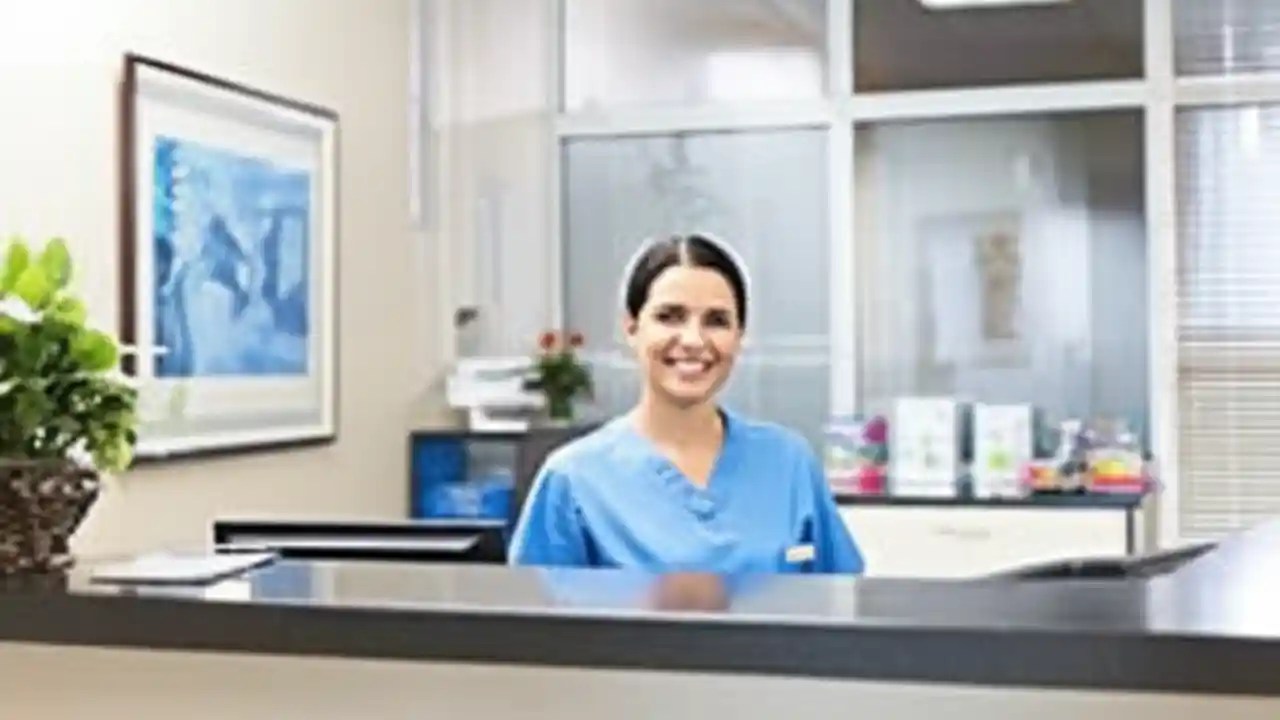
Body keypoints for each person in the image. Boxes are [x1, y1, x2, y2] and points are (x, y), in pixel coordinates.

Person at [508, 233, 864, 575]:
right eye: (670, 317)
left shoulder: (789, 464)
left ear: (739, 337)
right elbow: (534, 630)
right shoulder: (574, 481)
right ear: (631, 329)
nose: (694, 340)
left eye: (717, 321)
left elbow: (841, 608)